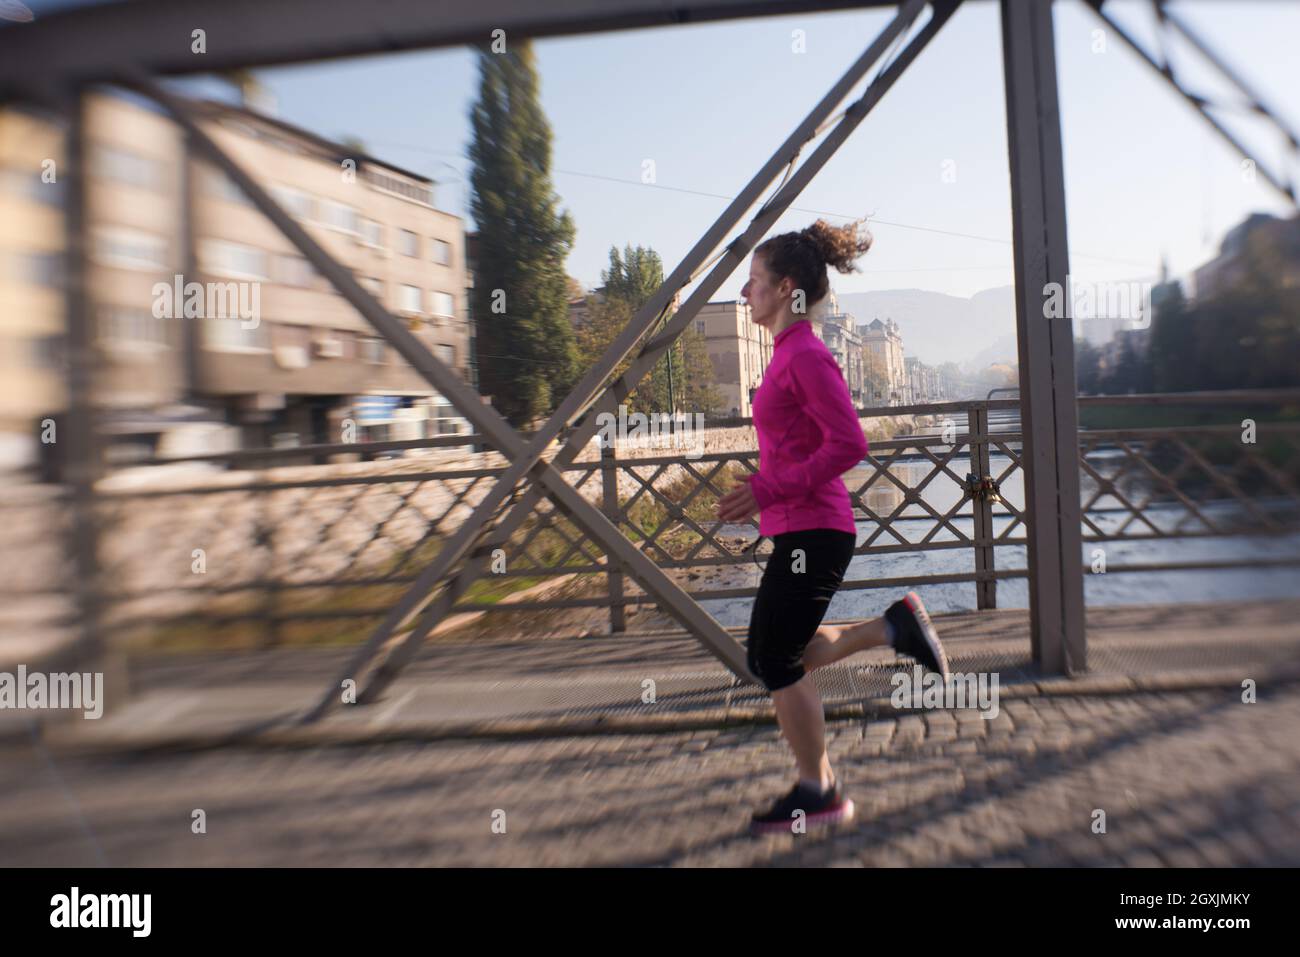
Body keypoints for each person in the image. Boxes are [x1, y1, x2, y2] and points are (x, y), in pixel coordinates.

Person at [715, 219, 951, 837]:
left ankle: (818, 789)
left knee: (774, 657)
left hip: (815, 530)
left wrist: (767, 487)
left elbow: (849, 444)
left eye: (754, 282)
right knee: (776, 655)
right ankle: (893, 628)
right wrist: (768, 493)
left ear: (785, 287)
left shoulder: (808, 355)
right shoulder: (791, 352)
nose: (745, 294)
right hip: (802, 528)